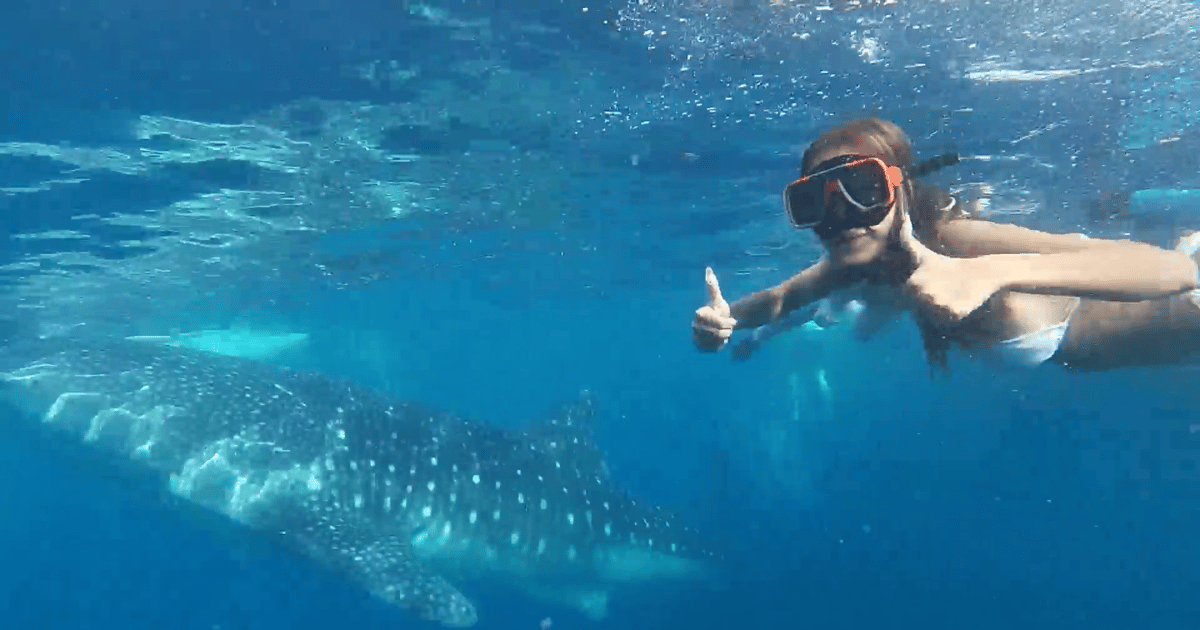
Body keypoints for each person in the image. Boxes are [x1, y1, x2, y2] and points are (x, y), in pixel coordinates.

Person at [693, 118, 1200, 372]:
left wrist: (992, 272)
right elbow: (779, 301)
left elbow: (1176, 273)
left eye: (863, 189)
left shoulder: (958, 239)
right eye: (814, 201)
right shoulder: (850, 265)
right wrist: (726, 318)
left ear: (903, 191)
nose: (840, 214)